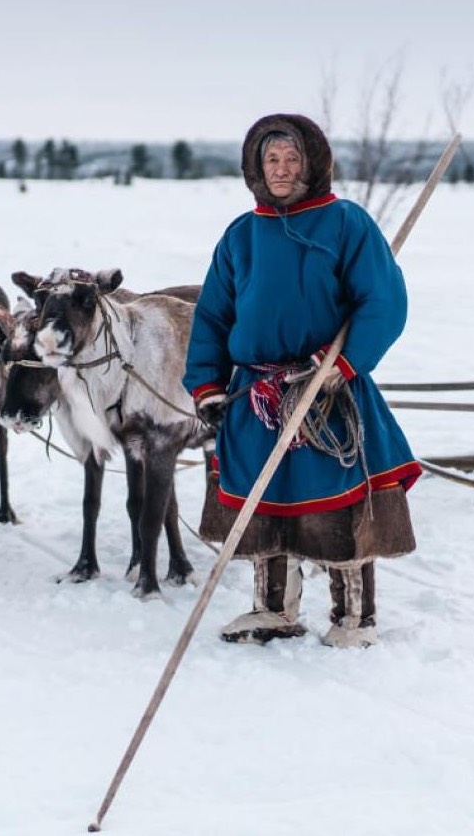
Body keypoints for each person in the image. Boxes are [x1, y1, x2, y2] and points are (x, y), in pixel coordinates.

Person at [183, 113, 421, 649]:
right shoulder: (241, 235)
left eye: (292, 159)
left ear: (312, 164)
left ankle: (353, 618)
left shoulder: (346, 224)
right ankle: (273, 610)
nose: (282, 169)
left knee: (336, 502)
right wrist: (207, 384)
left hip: (327, 389)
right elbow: (214, 317)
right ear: (256, 167)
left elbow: (382, 303)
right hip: (257, 394)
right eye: (272, 160)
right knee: (261, 501)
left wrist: (342, 364)